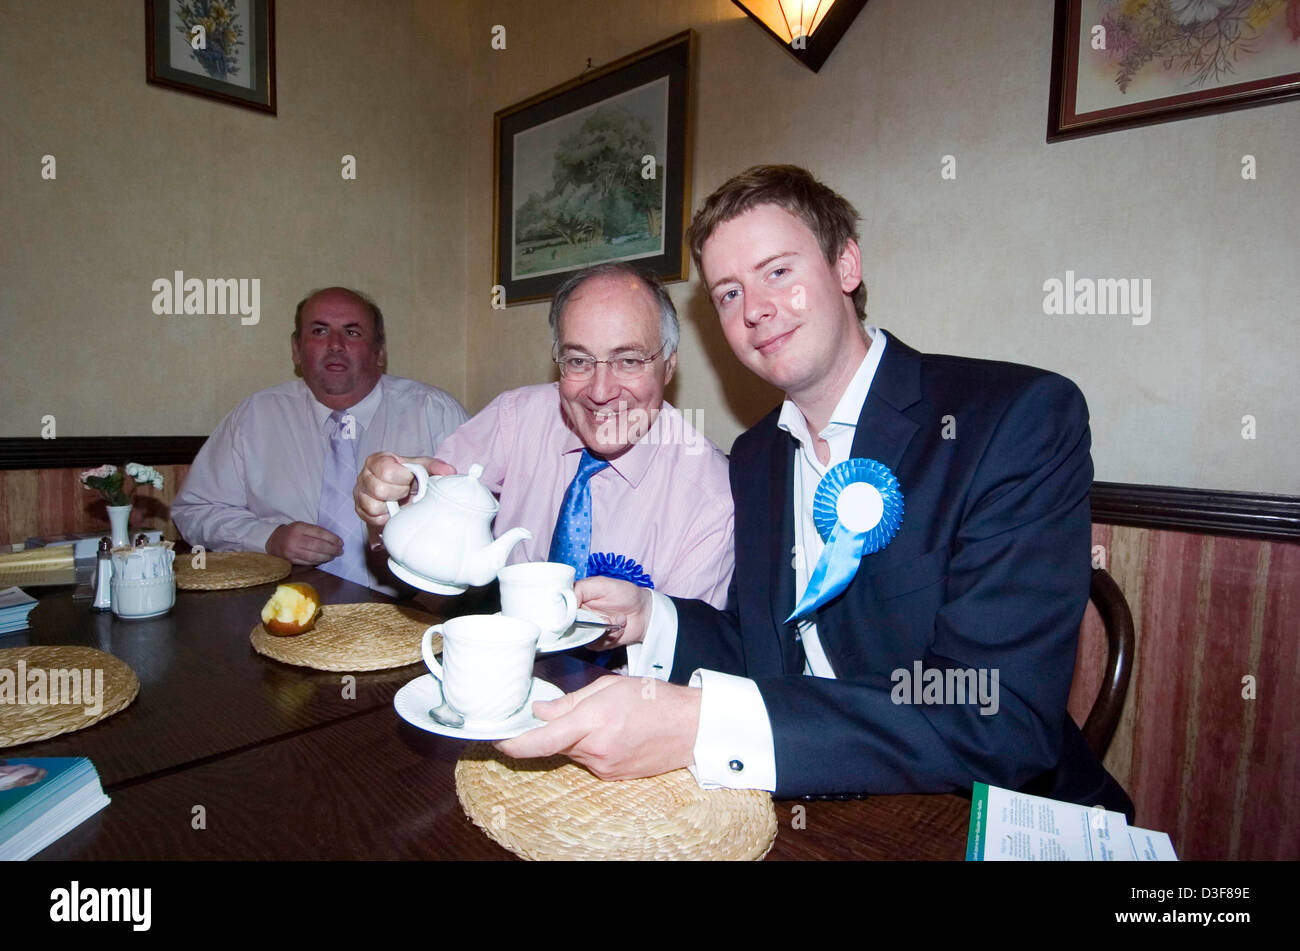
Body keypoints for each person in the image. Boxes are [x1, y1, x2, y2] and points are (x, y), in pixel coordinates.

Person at [497, 165, 1134, 818]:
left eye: (778, 272)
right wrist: (649, 616)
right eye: (728, 293)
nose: (755, 310)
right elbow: (762, 647)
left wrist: (701, 724)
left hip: (984, 816)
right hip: (816, 804)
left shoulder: (1012, 419)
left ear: (845, 265)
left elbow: (996, 715)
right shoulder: (756, 456)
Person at [353, 263, 734, 608]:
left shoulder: (711, 497)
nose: (600, 392)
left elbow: (677, 659)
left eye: (629, 360)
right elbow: (431, 528)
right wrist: (397, 499)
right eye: (579, 361)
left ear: (668, 367)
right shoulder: (516, 418)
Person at [172, 287, 468, 592]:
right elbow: (194, 510)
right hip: (284, 608)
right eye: (319, 331)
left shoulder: (434, 412)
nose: (335, 345)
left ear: (379, 353)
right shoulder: (255, 417)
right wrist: (269, 537)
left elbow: (480, 519)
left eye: (352, 332)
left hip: (411, 610)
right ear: (297, 350)